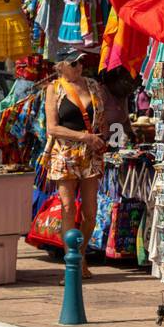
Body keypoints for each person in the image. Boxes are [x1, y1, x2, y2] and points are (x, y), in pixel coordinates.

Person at [42, 49, 107, 277]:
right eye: (73, 63)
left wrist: (101, 137)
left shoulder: (92, 85)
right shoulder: (54, 88)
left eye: (81, 62)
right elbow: (52, 127)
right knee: (68, 207)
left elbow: (102, 116)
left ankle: (79, 254)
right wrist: (84, 137)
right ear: (61, 65)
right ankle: (72, 262)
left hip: (90, 153)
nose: (79, 67)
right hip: (65, 152)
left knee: (91, 210)